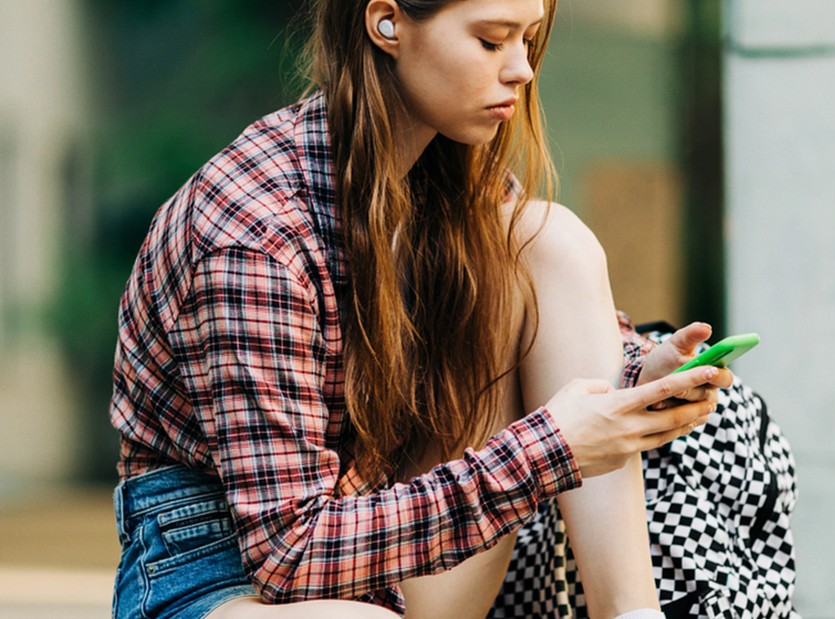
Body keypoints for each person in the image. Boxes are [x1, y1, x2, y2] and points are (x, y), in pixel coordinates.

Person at [108, 1, 734, 618]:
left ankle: (629, 612)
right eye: (492, 41)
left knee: (548, 238)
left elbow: (553, 354)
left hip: (385, 541)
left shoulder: (450, 173)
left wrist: (637, 381)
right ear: (387, 23)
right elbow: (289, 551)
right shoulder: (256, 234)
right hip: (222, 574)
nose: (521, 69)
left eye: (527, 40)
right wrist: (549, 450)